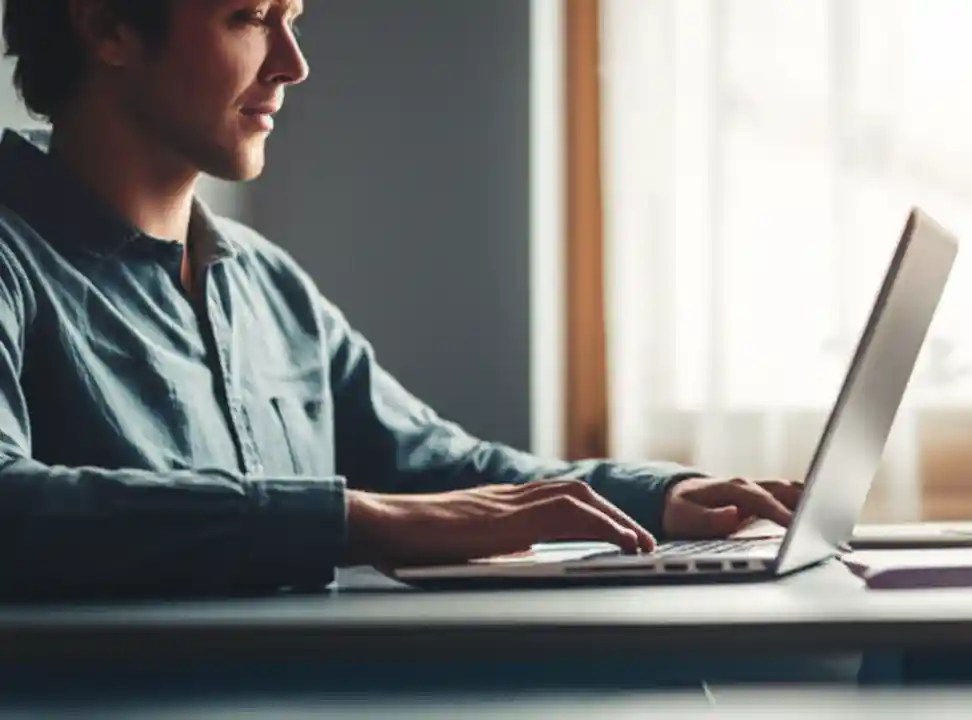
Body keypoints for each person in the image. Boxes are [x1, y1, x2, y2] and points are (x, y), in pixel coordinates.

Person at [0, 0, 801, 596]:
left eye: (292, 18)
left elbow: (438, 468)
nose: (293, 64)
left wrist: (660, 497)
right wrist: (366, 521)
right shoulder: (14, 260)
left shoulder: (266, 283)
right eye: (251, 17)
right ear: (106, 25)